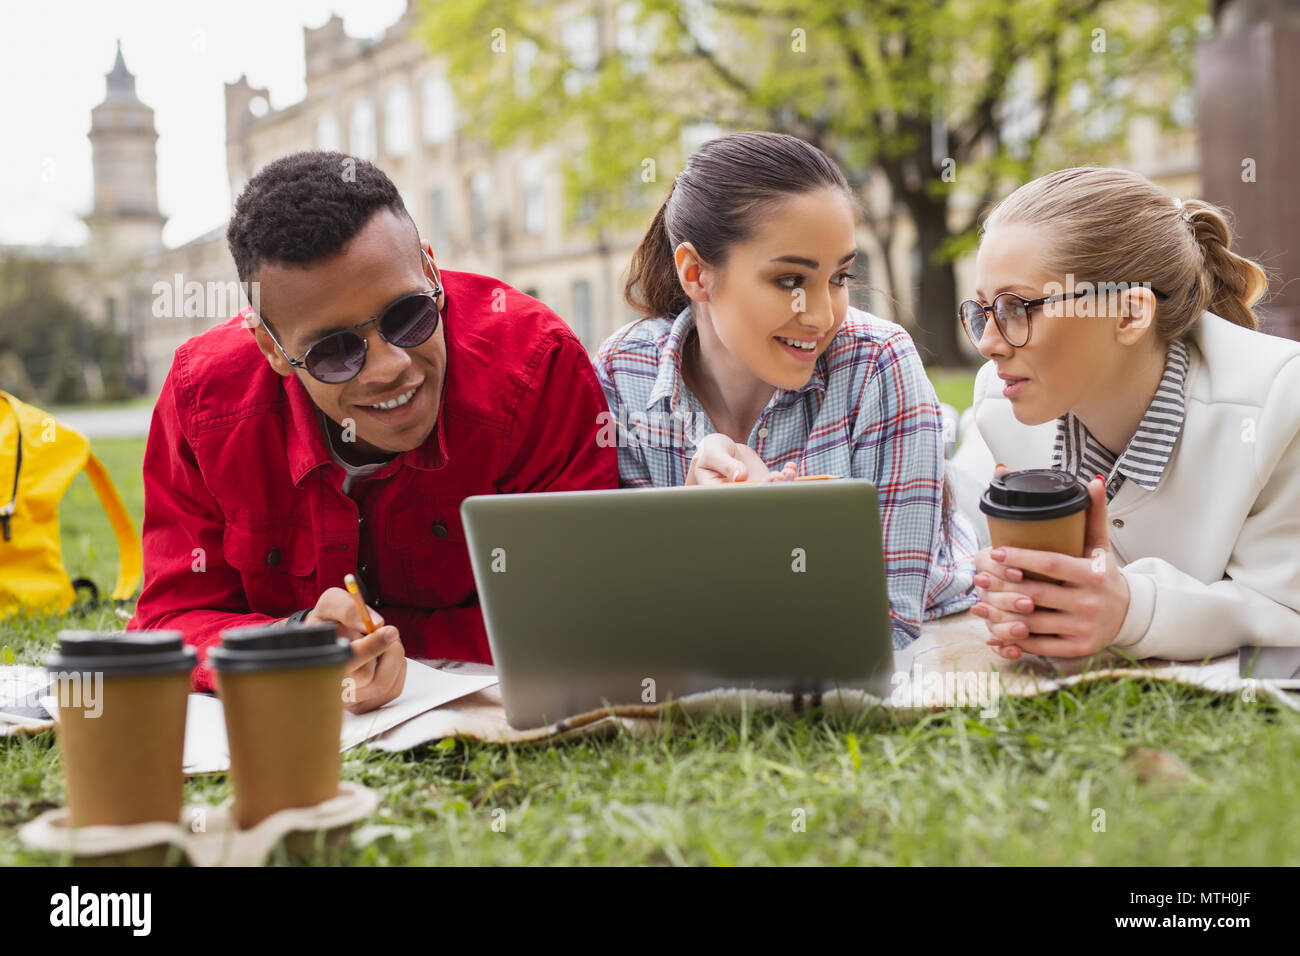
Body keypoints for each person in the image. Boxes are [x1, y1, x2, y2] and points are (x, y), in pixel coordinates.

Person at [128, 152, 618, 712]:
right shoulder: (203, 398)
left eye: (407, 316)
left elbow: (578, 609)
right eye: (335, 351)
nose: (390, 367)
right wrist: (298, 642)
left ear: (431, 272)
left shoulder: (536, 366)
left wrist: (385, 648)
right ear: (272, 348)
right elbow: (169, 618)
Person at [595, 131, 977, 651]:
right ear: (696, 273)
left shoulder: (879, 362)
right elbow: (627, 610)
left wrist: (766, 545)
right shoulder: (624, 372)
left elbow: (885, 626)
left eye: (839, 277)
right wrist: (691, 529)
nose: (821, 315)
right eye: (790, 280)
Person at [955, 165, 1300, 661]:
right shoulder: (999, 404)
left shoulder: (1277, 402)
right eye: (983, 311)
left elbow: (1287, 617)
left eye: (1018, 307)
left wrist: (1132, 612)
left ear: (1129, 313)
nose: (988, 345)